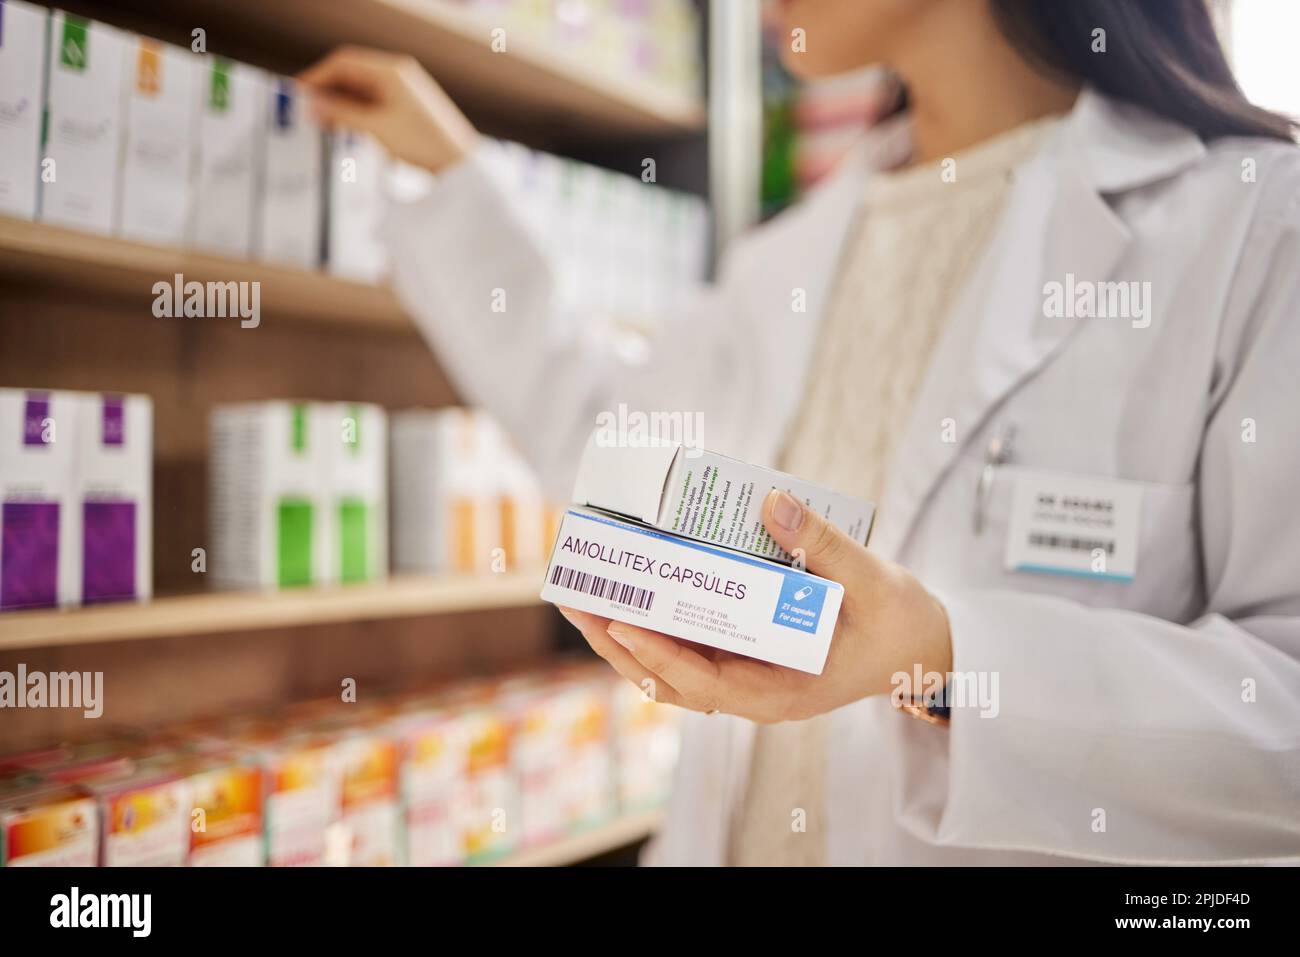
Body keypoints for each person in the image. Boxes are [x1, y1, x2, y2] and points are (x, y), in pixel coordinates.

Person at [300, 0, 1300, 865]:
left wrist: (943, 662)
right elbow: (609, 448)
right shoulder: (786, 256)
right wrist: (454, 175)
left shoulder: (1252, 230)